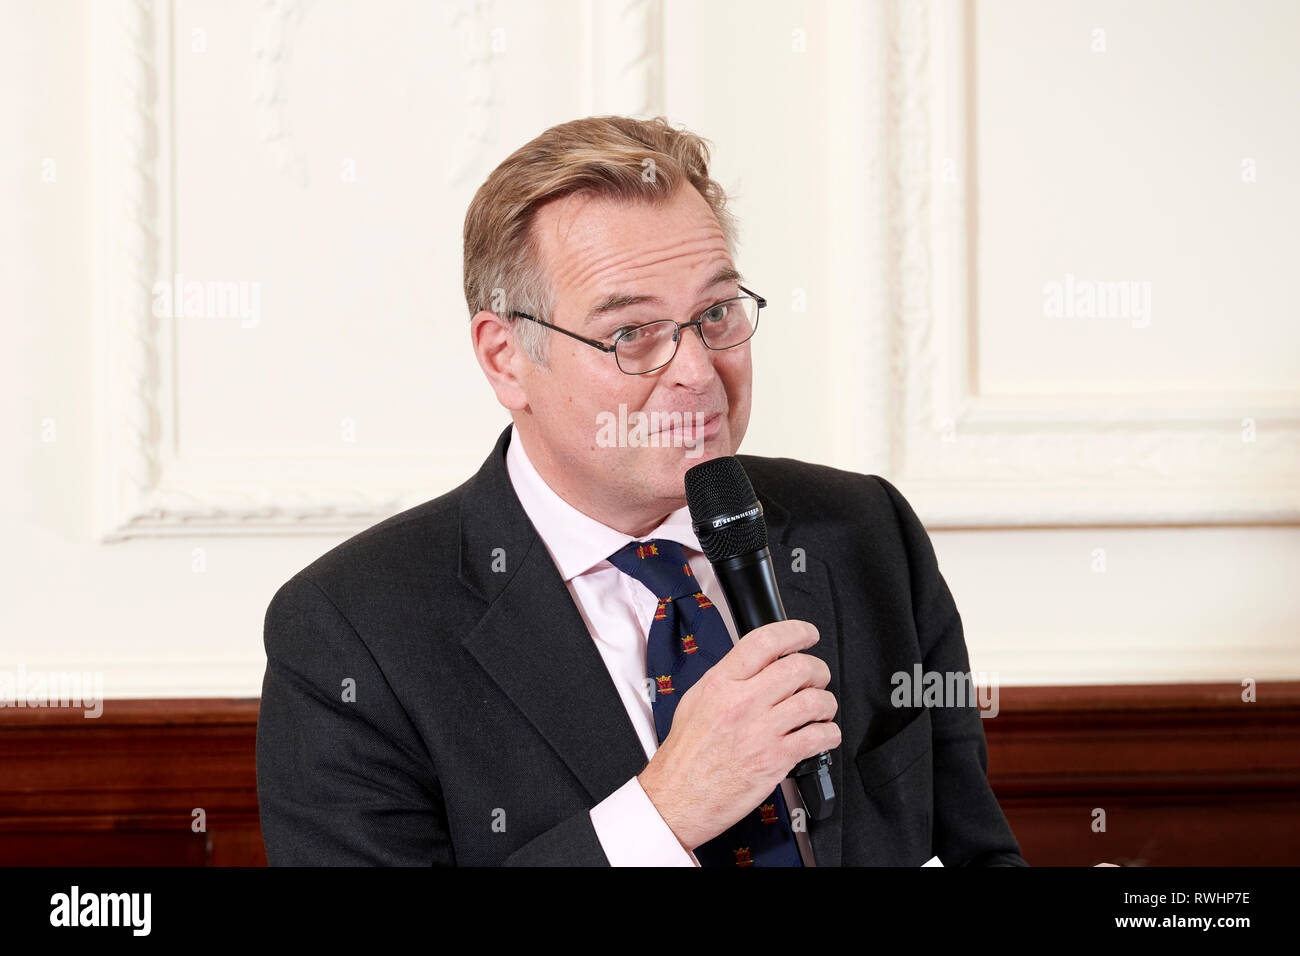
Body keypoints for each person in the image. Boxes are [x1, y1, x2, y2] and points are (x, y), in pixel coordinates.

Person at [255, 115, 1027, 866]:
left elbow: (971, 851)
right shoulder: (349, 630)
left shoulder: (866, 531)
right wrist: (667, 810)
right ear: (505, 359)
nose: (697, 371)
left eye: (716, 313)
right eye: (631, 334)